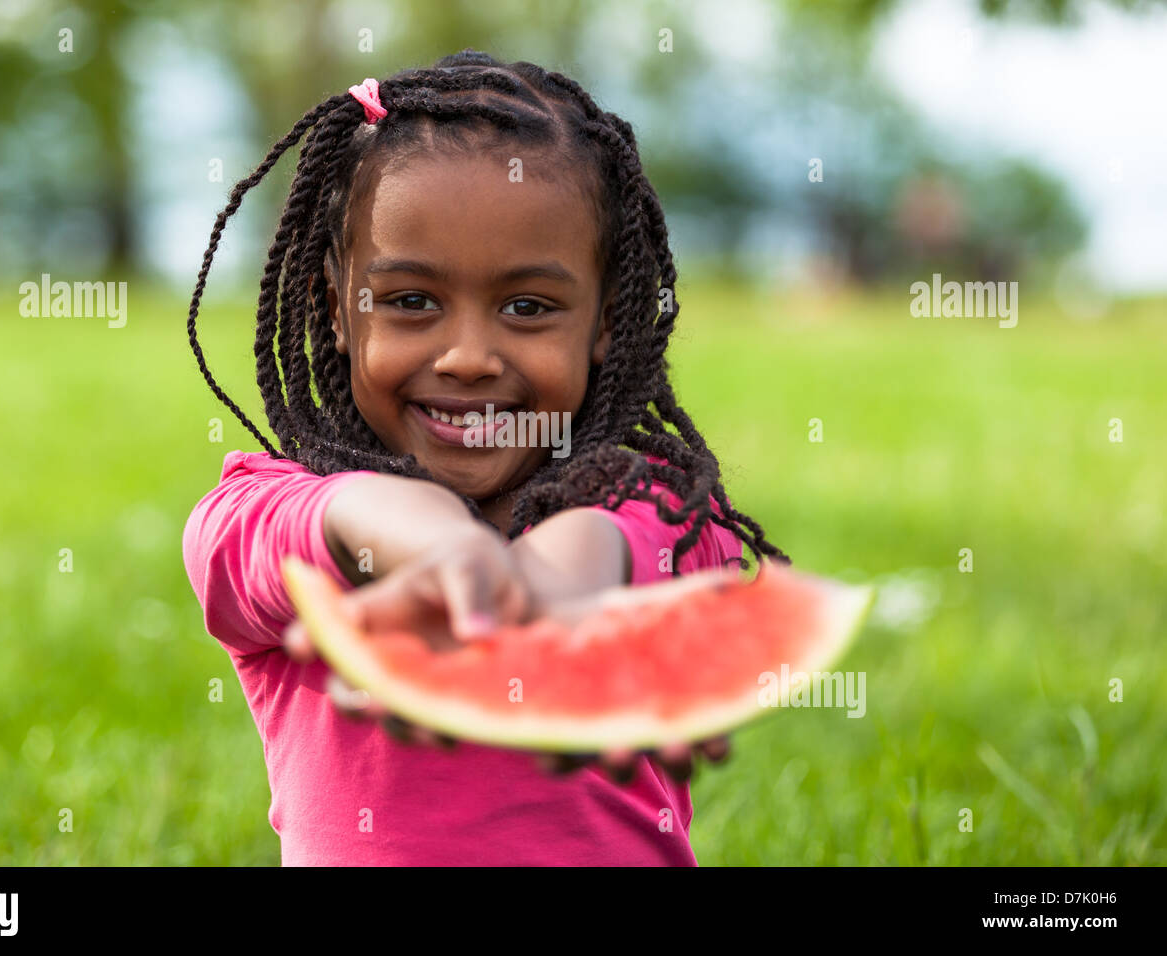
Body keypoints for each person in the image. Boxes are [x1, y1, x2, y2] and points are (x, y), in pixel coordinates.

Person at [182, 49, 787, 865]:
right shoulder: (273, 515)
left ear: (606, 320)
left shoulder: (661, 511)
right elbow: (291, 531)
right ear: (336, 309)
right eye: (411, 302)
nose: (468, 355)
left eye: (528, 306)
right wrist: (434, 543)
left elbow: (621, 550)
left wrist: (540, 590)